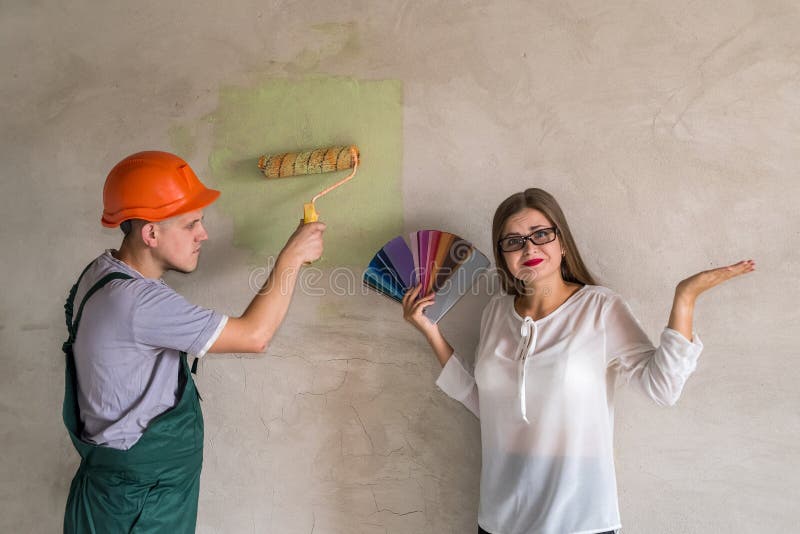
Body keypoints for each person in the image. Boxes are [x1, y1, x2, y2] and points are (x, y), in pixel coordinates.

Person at [402, 188, 754, 534]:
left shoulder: (600, 308)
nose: (529, 248)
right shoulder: (494, 312)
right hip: (498, 519)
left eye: (541, 234)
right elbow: (487, 404)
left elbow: (662, 388)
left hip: (579, 520)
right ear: (503, 255)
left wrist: (685, 297)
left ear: (562, 243)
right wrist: (431, 331)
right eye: (514, 241)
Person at [60, 150, 325, 533]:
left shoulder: (102, 273)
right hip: (140, 505)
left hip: (110, 495)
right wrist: (293, 256)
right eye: (191, 225)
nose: (204, 235)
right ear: (151, 233)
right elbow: (255, 335)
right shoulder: (140, 303)